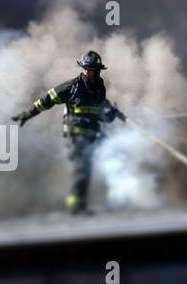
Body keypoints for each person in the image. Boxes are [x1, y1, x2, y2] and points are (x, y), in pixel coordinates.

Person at [12, 51, 120, 215]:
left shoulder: (100, 89)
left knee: (111, 158)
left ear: (98, 71)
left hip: (93, 133)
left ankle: (115, 201)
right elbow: (46, 100)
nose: (86, 71)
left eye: (90, 69)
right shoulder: (72, 87)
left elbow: (98, 115)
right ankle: (77, 207)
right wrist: (28, 114)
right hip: (75, 134)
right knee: (82, 167)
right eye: (84, 68)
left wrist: (110, 115)